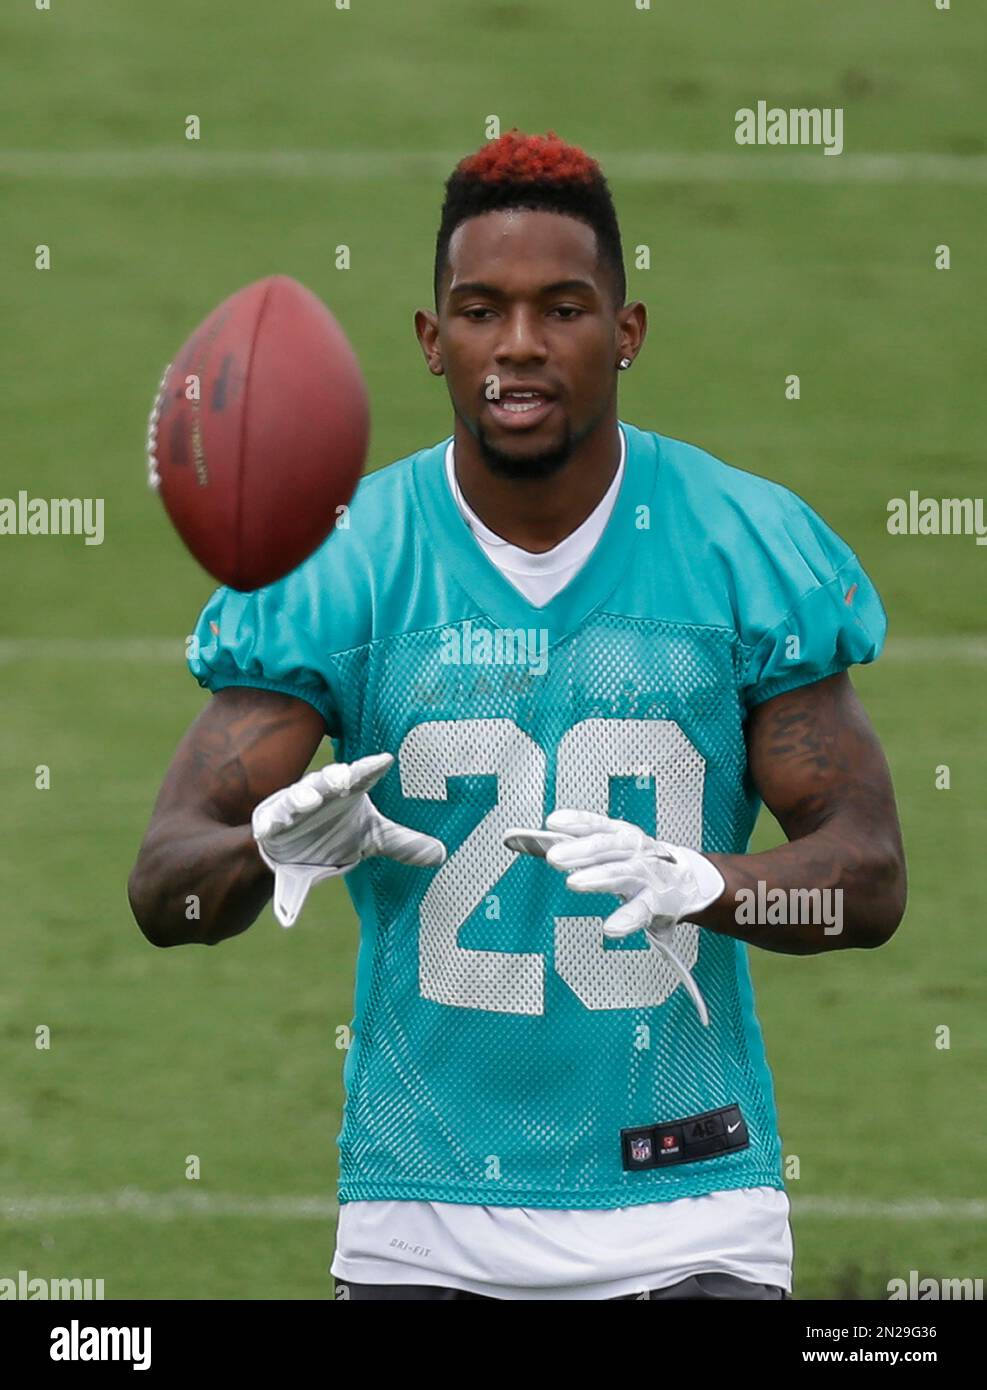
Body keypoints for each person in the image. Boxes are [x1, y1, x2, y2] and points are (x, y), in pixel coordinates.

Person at [129, 129, 906, 1301]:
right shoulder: (345, 564)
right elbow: (163, 887)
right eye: (483, 311)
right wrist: (265, 847)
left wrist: (705, 881)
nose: (522, 347)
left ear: (627, 332)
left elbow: (872, 877)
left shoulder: (738, 545)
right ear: (432, 340)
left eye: (564, 308)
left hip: (689, 1205)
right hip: (418, 1218)